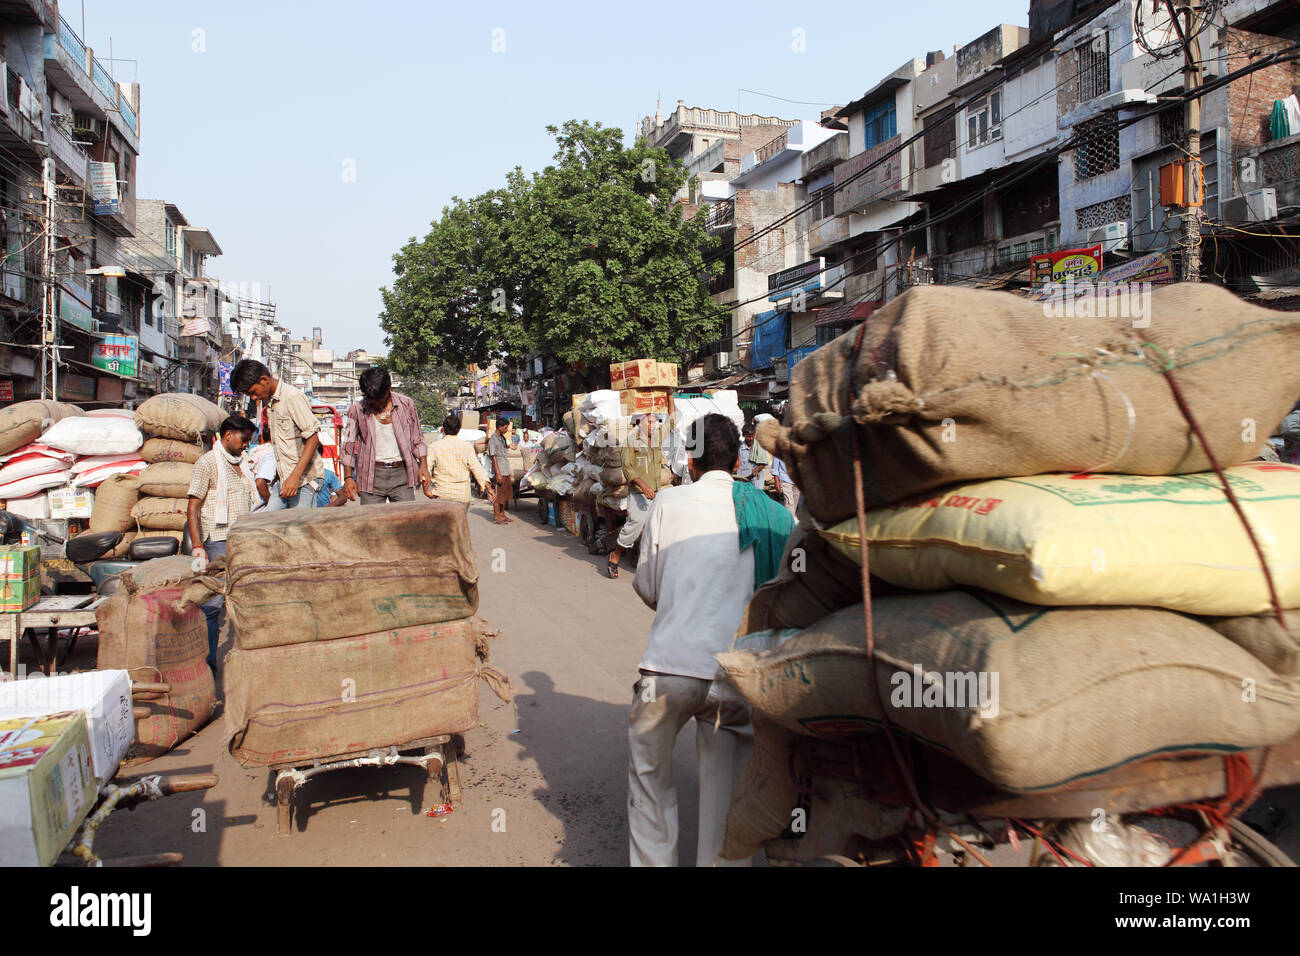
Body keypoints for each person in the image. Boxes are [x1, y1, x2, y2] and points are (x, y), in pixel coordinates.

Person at [627, 413, 795, 867]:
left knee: (649, 780)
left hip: (669, 670)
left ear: (690, 459)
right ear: (740, 459)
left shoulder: (667, 501)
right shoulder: (774, 515)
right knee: (725, 794)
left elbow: (647, 586)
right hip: (736, 674)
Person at [186, 414, 257, 673]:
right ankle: (207, 665)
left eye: (249, 440)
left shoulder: (244, 463)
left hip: (242, 541)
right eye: (244, 439)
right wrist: (197, 546)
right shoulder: (207, 464)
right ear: (228, 435)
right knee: (212, 605)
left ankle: (242, 660)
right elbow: (192, 507)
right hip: (216, 541)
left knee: (243, 601)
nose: (247, 444)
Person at [231, 359, 323, 508]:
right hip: (284, 481)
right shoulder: (270, 405)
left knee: (298, 529)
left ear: (264, 380)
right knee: (270, 523)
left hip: (305, 481)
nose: (253, 398)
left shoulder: (292, 397)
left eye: (253, 393)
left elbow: (313, 438)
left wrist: (295, 477)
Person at [340, 367, 429, 505]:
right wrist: (348, 477)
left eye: (379, 399)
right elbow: (348, 447)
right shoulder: (356, 410)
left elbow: (418, 439)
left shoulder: (406, 405)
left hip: (402, 476)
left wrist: (424, 466)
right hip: (371, 477)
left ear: (389, 388)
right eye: (371, 399)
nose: (376, 403)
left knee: (405, 523)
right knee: (374, 525)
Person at [608, 396, 675, 579]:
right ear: (640, 422)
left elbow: (672, 417)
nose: (653, 425)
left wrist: (669, 394)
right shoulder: (629, 442)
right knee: (634, 526)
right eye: (650, 421)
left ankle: (653, 565)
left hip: (656, 493)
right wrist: (643, 485)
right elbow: (627, 468)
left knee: (659, 529)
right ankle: (615, 556)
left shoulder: (657, 437)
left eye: (654, 421)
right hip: (639, 493)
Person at [426, 412, 496, 504]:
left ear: (443, 429)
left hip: (442, 494)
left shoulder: (434, 446)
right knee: (460, 518)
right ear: (459, 430)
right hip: (462, 495)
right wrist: (489, 489)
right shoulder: (466, 446)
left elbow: (426, 469)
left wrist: (426, 490)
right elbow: (477, 469)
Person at [488, 418, 514, 524]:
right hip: (499, 471)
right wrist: (498, 474)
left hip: (505, 470)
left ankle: (502, 514)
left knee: (505, 494)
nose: (507, 429)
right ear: (499, 427)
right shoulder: (493, 439)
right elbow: (493, 457)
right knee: (498, 495)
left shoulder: (501, 438)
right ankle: (496, 517)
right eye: (505, 427)